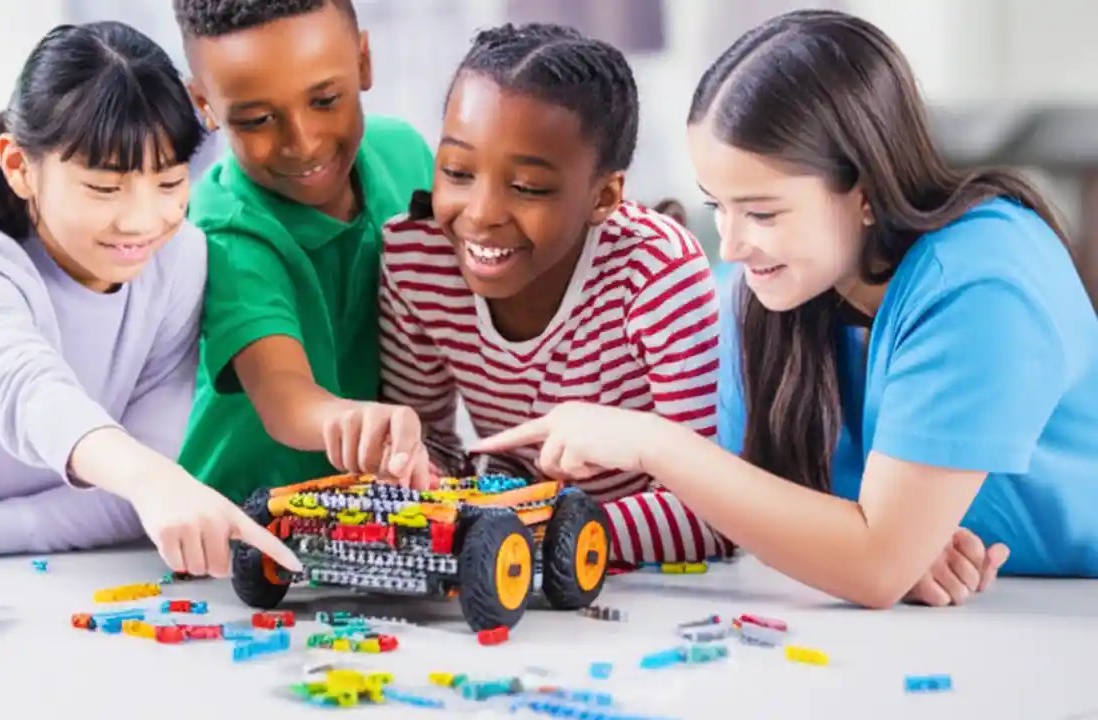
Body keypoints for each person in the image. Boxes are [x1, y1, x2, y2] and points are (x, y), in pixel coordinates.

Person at [473, 10, 1098, 606]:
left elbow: (873, 564)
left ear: (866, 190)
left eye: (763, 212)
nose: (733, 243)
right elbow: (780, 515)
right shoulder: (770, 292)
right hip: (980, 612)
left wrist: (650, 443)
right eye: (718, 206)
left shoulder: (981, 282)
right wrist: (871, 546)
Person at [0, 21, 299, 578]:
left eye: (169, 184)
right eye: (104, 188)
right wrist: (151, 480)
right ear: (20, 167)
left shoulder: (181, 259)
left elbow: (127, 501)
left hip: (59, 563)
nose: (142, 221)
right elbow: (36, 395)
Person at [378, 23, 732, 564]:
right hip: (511, 572)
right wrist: (420, 473)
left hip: (652, 585)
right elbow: (435, 447)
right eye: (457, 171)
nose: (481, 214)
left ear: (604, 196)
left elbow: (712, 509)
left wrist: (528, 532)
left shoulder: (658, 272)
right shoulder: (415, 257)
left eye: (527, 188)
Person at [172, 0, 437, 502]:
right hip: (242, 515)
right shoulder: (224, 222)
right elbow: (285, 398)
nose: (303, 142)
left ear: (363, 62)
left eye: (325, 100)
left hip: (383, 500)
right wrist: (362, 423)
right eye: (257, 120)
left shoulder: (405, 153)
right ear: (204, 104)